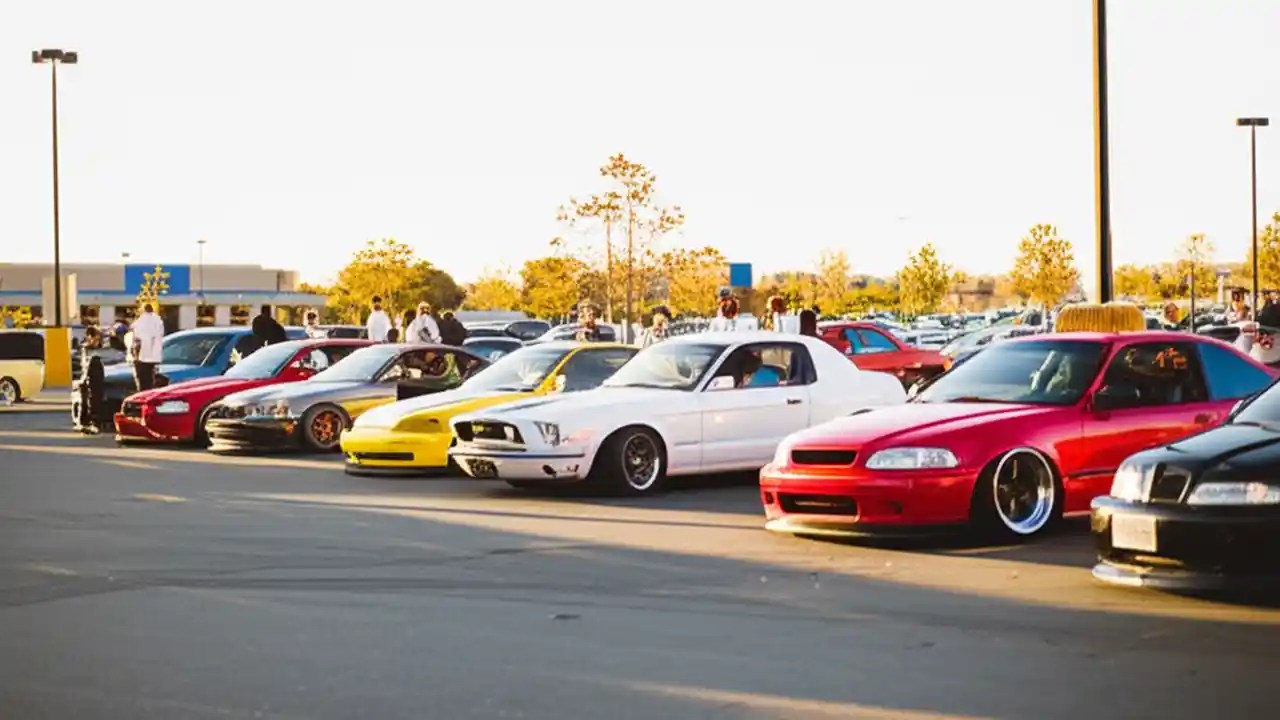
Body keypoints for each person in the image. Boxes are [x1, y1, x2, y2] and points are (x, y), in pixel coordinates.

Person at [77, 327, 107, 434]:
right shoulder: (88, 350)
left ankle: (91, 422)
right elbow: (85, 365)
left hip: (93, 379)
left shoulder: (98, 351)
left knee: (94, 401)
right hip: (89, 379)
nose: (95, 340)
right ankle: (87, 422)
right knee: (88, 401)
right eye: (94, 338)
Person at [131, 303, 165, 391]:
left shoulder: (140, 322)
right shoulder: (158, 321)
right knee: (151, 382)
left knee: (143, 384)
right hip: (154, 358)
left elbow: (137, 340)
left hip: (142, 358)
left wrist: (135, 355)